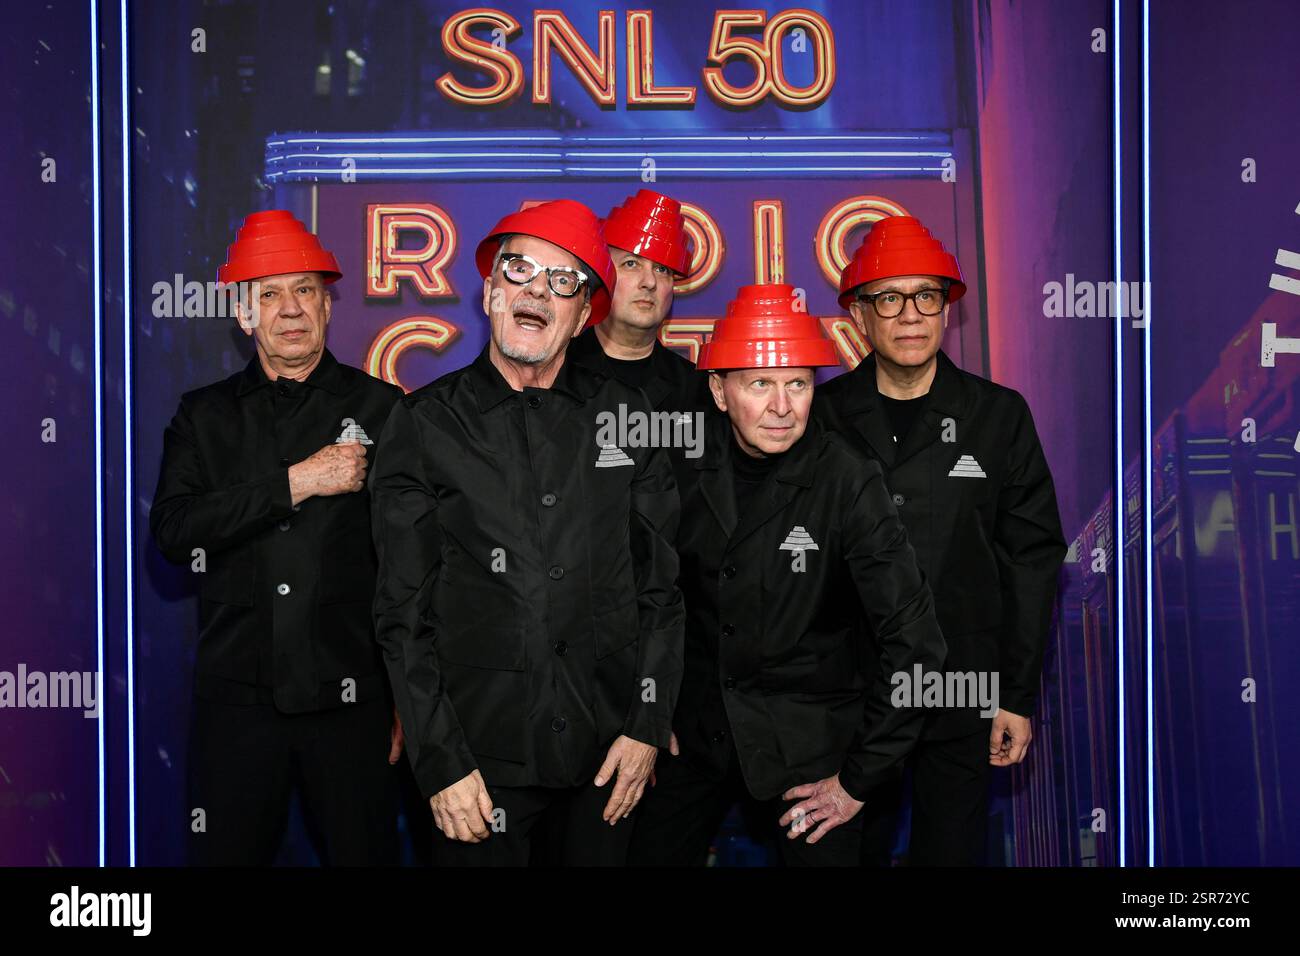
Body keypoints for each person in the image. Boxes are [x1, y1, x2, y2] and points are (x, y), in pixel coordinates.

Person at [369, 199, 685, 866]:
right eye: (519, 270)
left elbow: (662, 590)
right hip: (478, 768)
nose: (538, 290)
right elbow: (403, 616)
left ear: (581, 316)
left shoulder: (630, 419)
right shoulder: (422, 425)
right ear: (489, 292)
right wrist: (441, 762)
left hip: (606, 761)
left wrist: (647, 727)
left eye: (563, 281)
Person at [629, 283, 946, 866]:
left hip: (811, 752)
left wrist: (856, 780)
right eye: (760, 384)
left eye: (798, 383)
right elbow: (637, 595)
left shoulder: (849, 479)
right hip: (693, 739)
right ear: (720, 393)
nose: (782, 406)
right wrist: (646, 712)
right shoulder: (677, 465)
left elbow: (916, 643)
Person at [150, 210, 402, 865]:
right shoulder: (201, 416)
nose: (289, 309)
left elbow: (415, 565)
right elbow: (175, 533)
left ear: (327, 304)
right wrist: (299, 481)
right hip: (237, 705)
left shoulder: (384, 408)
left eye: (305, 291)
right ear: (243, 314)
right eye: (269, 294)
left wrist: (410, 699)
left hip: (353, 702)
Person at [816, 215, 1067, 865]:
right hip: (851, 698)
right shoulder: (821, 416)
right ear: (858, 315)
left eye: (926, 296)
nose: (910, 315)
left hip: (963, 690)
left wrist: (1015, 695)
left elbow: (1032, 558)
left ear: (946, 310)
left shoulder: (997, 415)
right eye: (889, 298)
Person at [567, 188, 707, 414]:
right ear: (602, 274)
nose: (650, 282)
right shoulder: (554, 373)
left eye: (662, 269)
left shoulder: (698, 390)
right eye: (631, 264)